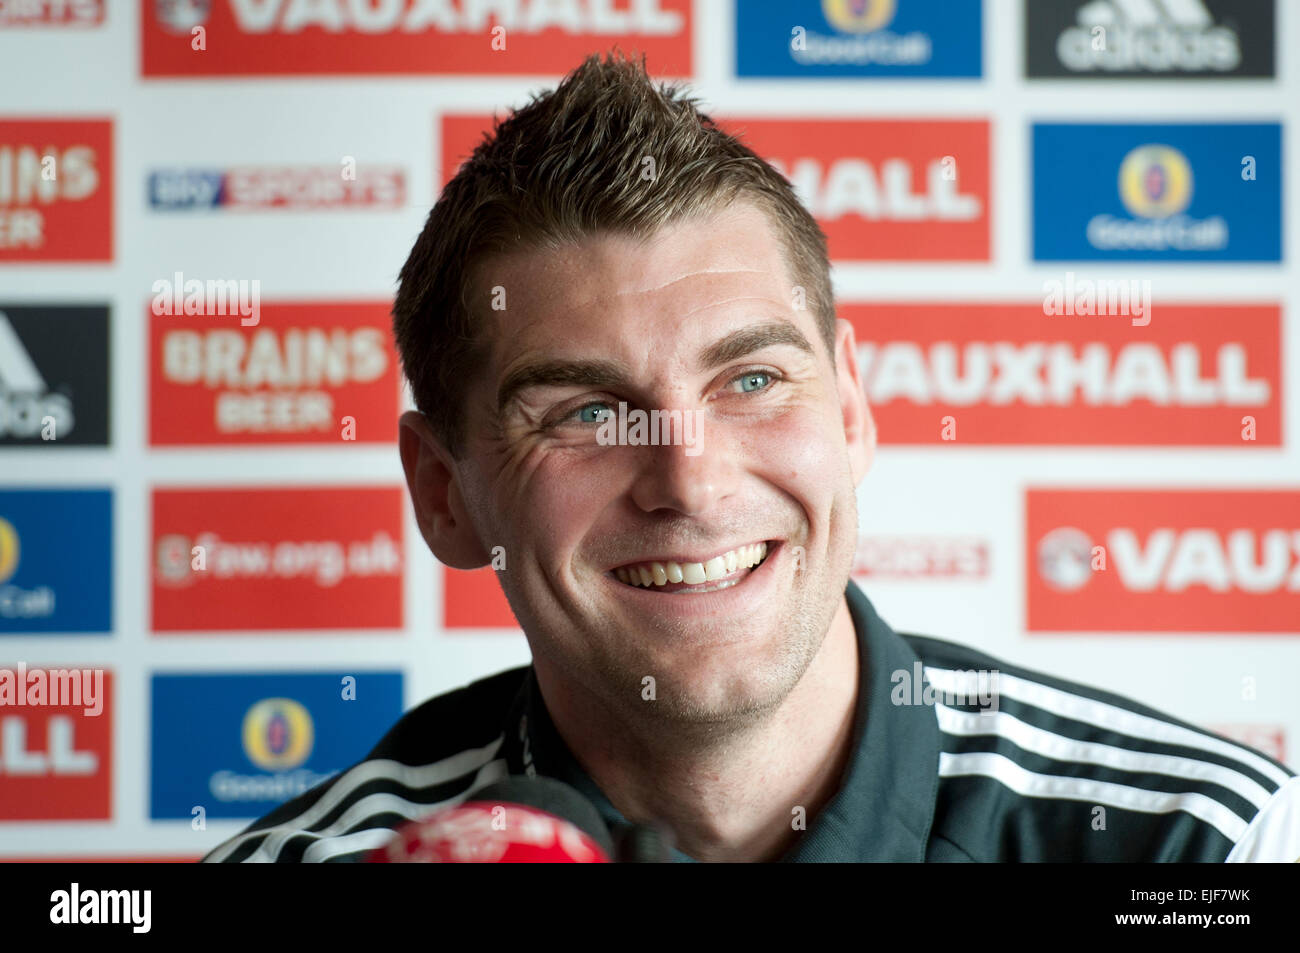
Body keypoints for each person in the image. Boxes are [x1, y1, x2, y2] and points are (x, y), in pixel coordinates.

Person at [203, 52, 1298, 863]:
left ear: (853, 407)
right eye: (585, 411)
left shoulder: (1208, 848)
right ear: (444, 494)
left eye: (753, 379)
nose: (691, 479)